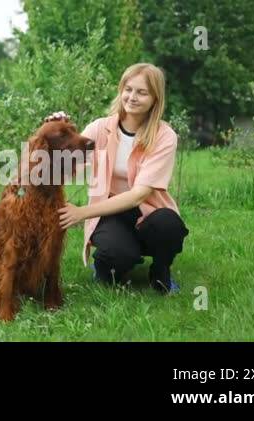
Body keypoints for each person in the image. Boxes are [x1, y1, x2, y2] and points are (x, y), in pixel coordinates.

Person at [50, 63, 189, 294]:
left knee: (169, 224)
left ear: (156, 98)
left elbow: (139, 195)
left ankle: (161, 273)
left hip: (148, 212)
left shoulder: (164, 136)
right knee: (118, 257)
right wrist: (54, 129)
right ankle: (106, 266)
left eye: (142, 92)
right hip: (109, 211)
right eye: (128, 89)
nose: (132, 97)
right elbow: (65, 163)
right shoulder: (99, 128)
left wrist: (81, 212)